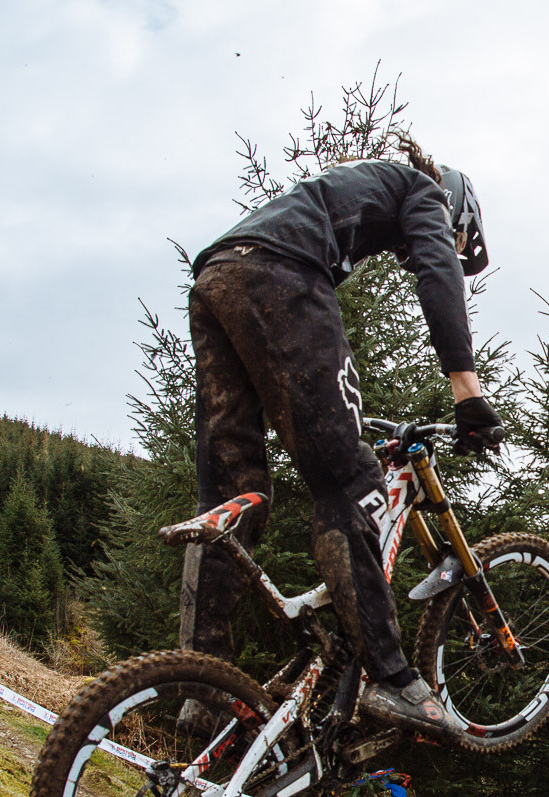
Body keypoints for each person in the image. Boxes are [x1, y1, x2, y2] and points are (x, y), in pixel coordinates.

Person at [177, 136, 501, 745]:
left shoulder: (357, 187)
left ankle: (201, 686)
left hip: (217, 275)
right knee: (349, 483)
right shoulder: (424, 190)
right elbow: (437, 275)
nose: (437, 253)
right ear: (458, 211)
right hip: (280, 275)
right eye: (458, 243)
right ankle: (392, 678)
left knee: (234, 486)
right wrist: (468, 393)